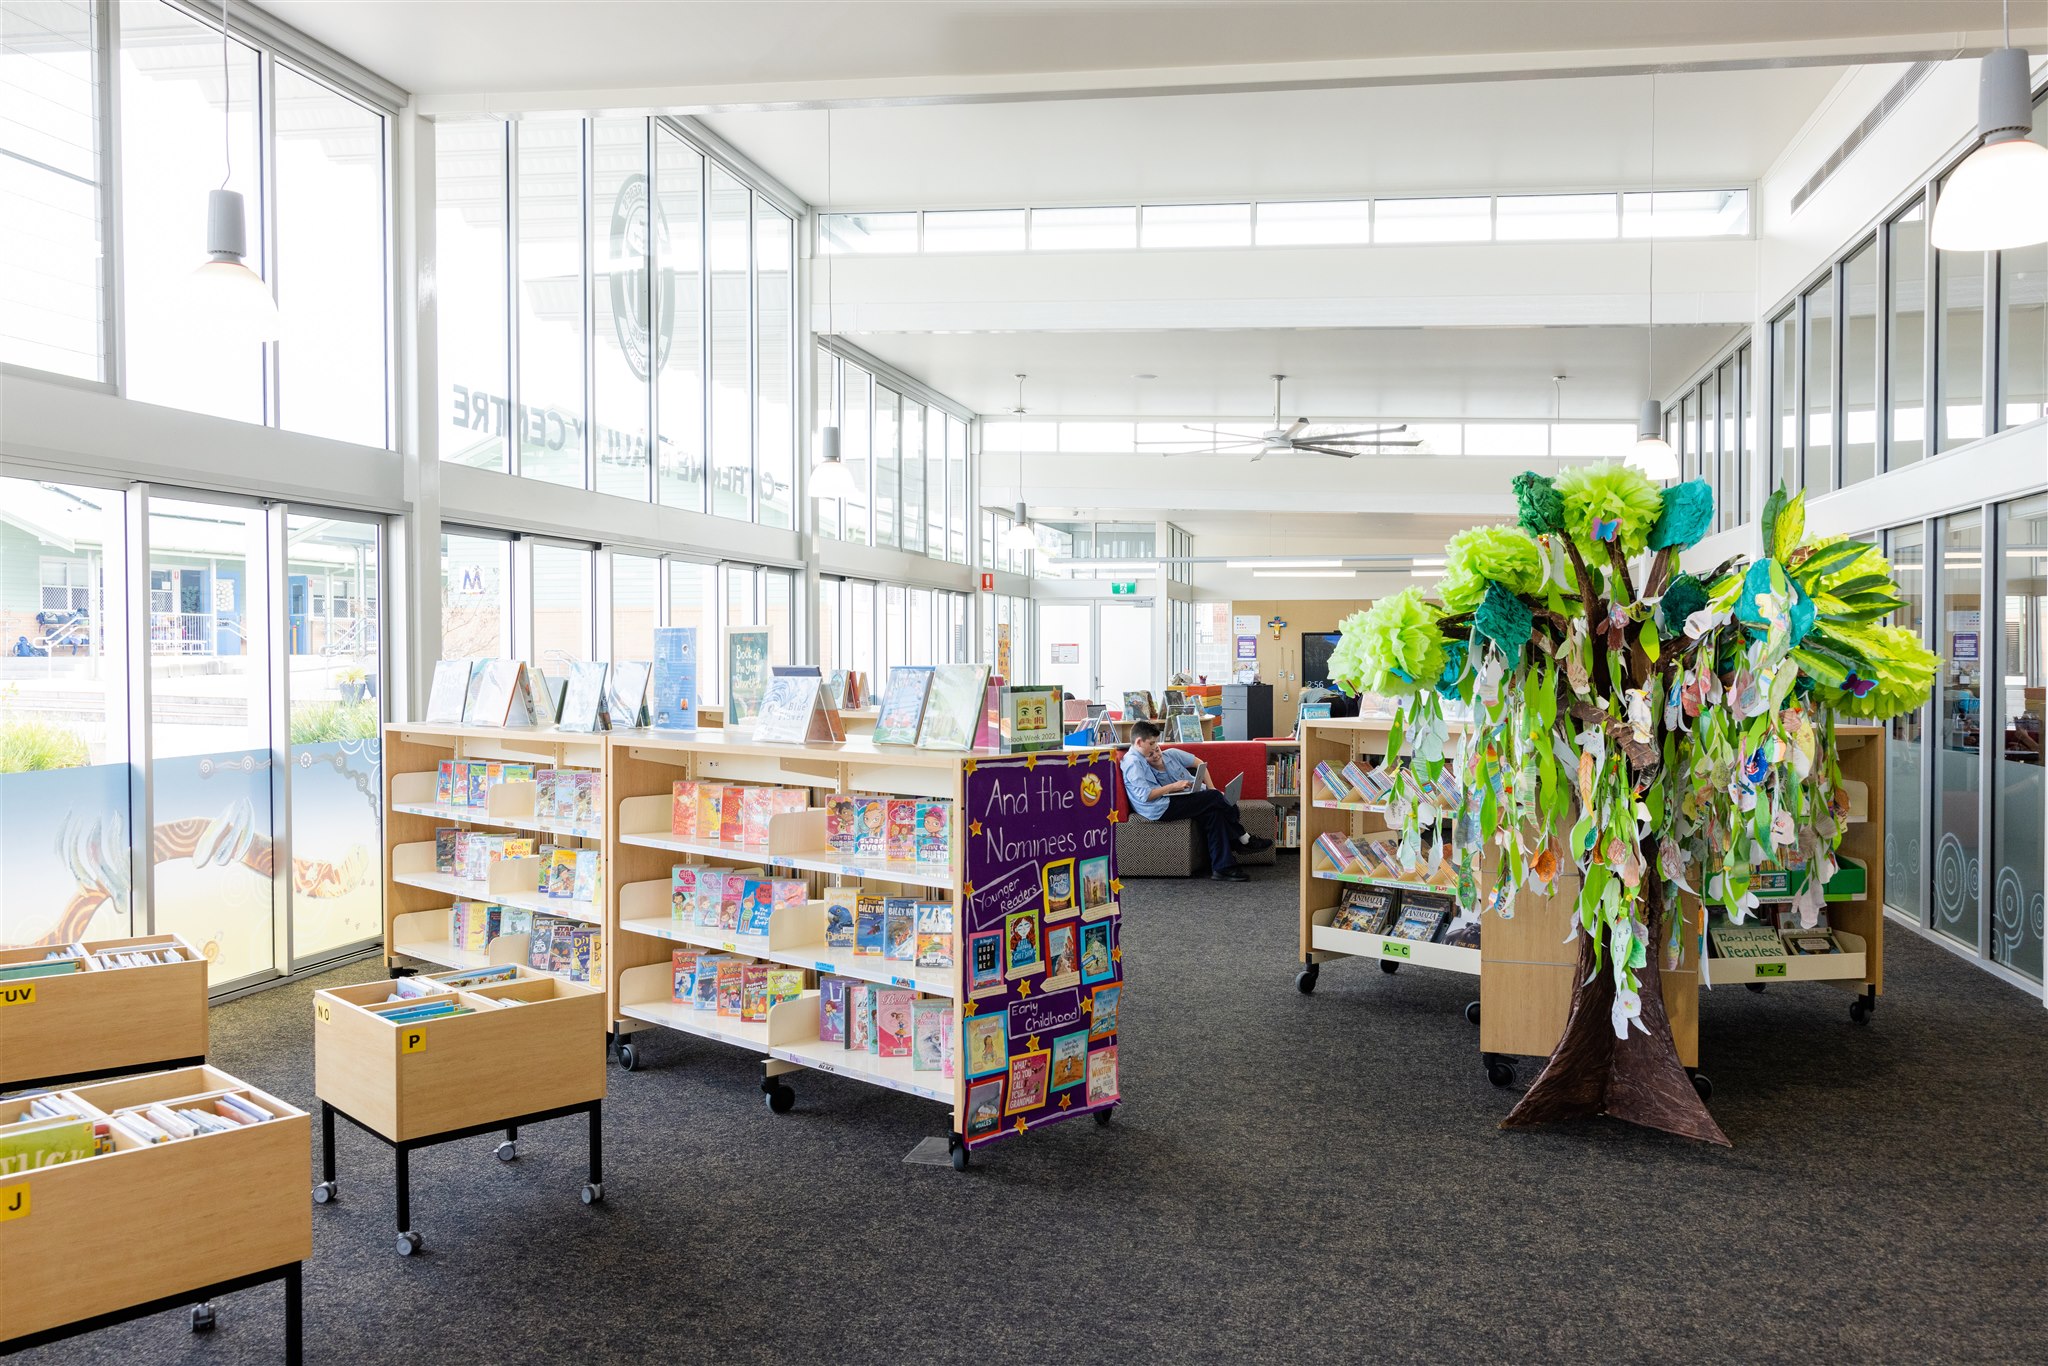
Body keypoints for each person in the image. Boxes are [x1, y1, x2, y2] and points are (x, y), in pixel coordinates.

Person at [1120, 720, 1271, 881]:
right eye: (1151, 743)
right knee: (1215, 797)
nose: (1154, 748)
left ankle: (1223, 867)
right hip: (1159, 808)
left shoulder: (1142, 757)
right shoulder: (1133, 762)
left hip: (1165, 801)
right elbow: (1146, 795)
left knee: (1213, 814)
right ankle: (1242, 838)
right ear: (1139, 742)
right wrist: (1173, 786)